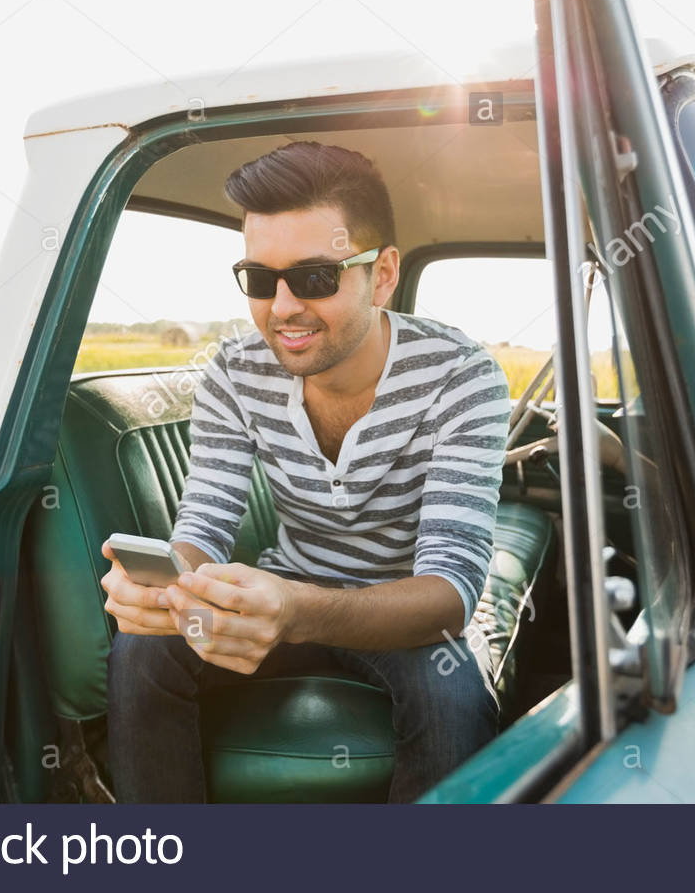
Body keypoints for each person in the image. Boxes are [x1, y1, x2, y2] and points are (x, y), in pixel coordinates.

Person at [103, 140, 511, 803]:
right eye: (261, 280)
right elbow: (205, 523)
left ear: (381, 276)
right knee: (141, 652)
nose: (283, 307)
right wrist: (166, 589)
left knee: (451, 695)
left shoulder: (462, 377)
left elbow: (450, 591)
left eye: (316, 278)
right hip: (285, 588)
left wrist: (295, 611)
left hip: (400, 613)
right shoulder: (235, 371)